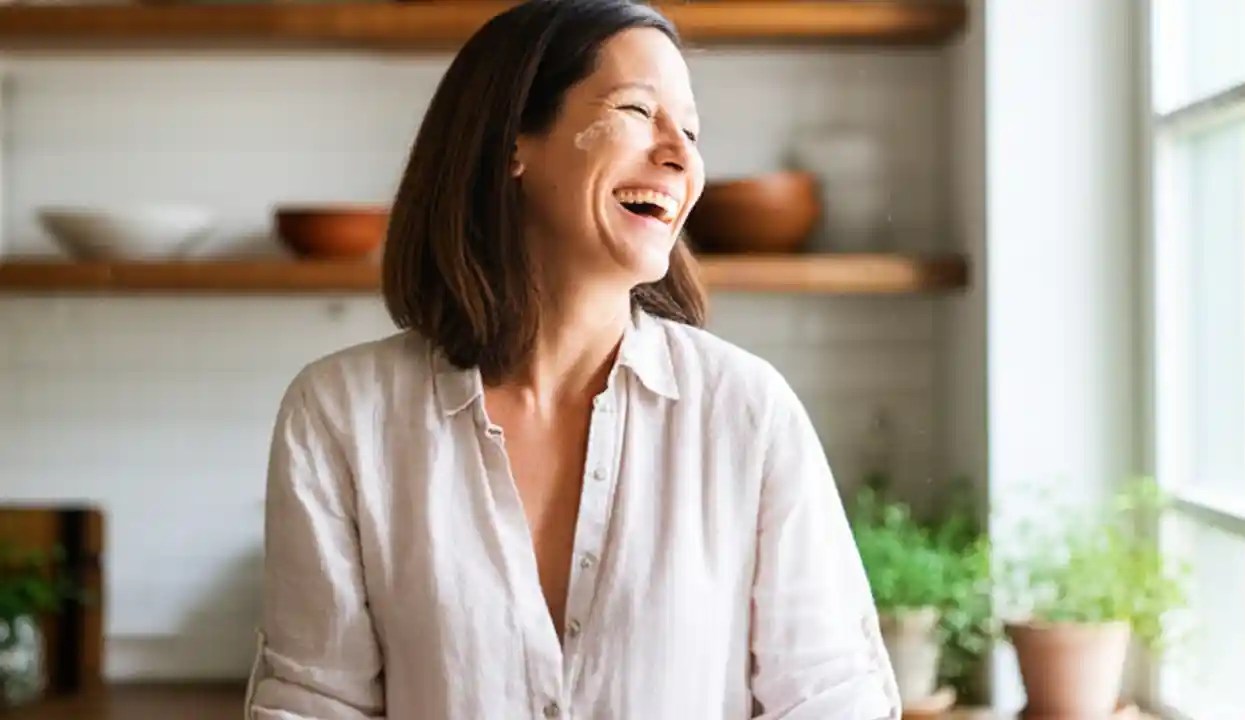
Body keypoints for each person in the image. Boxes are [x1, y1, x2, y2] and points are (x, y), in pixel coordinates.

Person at [243, 0, 900, 718]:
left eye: (691, 129)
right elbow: (312, 702)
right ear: (512, 145)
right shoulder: (343, 414)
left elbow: (834, 698)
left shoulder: (745, 410)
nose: (680, 154)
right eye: (636, 111)